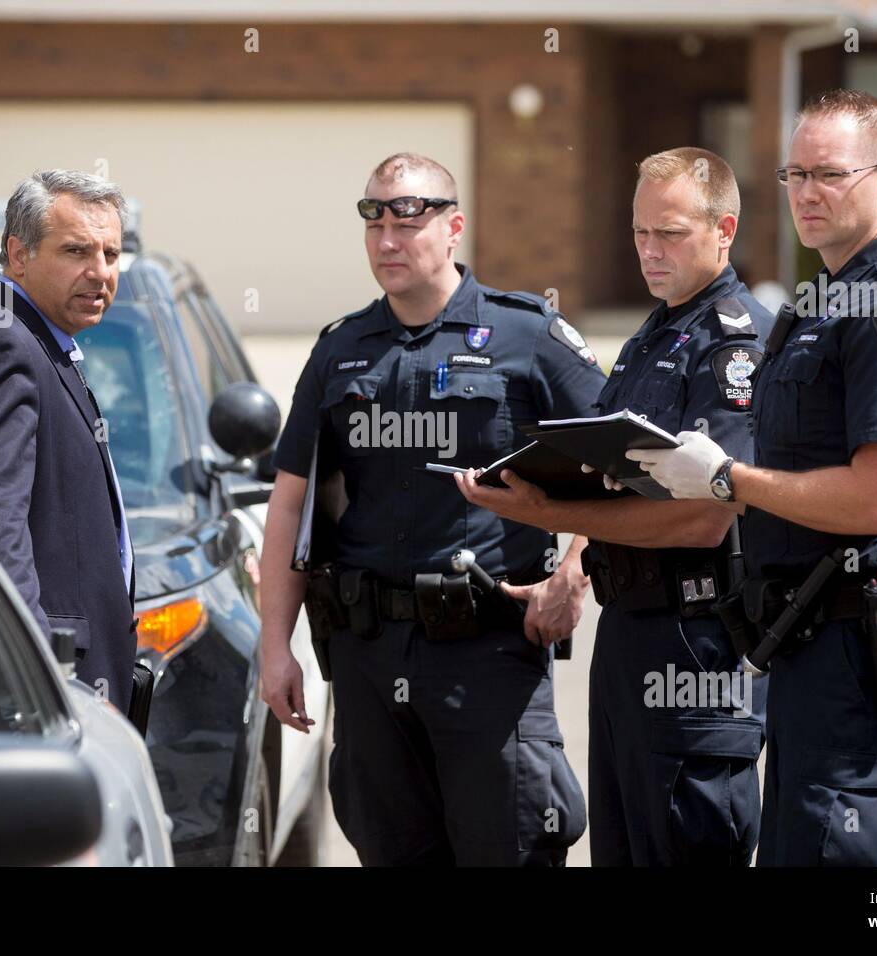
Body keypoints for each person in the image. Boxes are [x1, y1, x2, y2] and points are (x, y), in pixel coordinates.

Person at [628, 91, 877, 866]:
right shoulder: (828, 301)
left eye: (828, 174)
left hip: (862, 665)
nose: (806, 194)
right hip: (811, 655)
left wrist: (729, 480)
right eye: (794, 174)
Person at [258, 152, 605, 865]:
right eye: (374, 220)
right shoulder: (339, 351)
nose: (388, 239)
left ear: (454, 228)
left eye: (408, 220)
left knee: (507, 846)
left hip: (489, 657)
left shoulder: (527, 336)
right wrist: (274, 647)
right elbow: (290, 503)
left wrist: (574, 571)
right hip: (366, 660)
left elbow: (621, 463)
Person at [457, 147, 773, 865]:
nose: (649, 251)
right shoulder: (654, 334)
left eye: (670, 233)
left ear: (724, 229)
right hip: (632, 631)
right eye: (639, 233)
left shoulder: (732, 345)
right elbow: (613, 474)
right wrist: (572, 560)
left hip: (697, 639)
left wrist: (551, 516)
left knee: (687, 840)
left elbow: (704, 513)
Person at [0, 170, 138, 713]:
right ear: (19, 254)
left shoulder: (38, 342)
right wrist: (40, 677)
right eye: (76, 251)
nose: (100, 272)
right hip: (42, 688)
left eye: (111, 254)